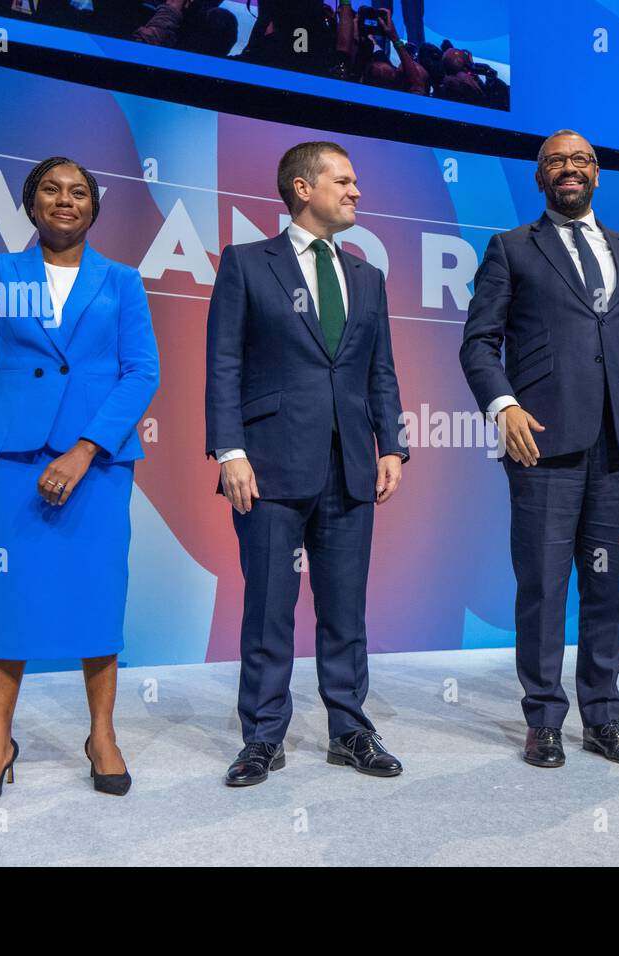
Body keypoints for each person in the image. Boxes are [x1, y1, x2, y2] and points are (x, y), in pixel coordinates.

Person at [0, 157, 160, 805]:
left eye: (78, 192)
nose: (65, 200)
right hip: (13, 460)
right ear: (31, 205)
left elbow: (141, 373)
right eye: (51, 189)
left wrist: (82, 450)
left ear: (93, 209)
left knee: (98, 594)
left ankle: (101, 736)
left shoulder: (122, 281)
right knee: (10, 598)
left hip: (96, 464)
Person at [460, 129, 619, 768]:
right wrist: (504, 405)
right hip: (543, 447)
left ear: (598, 174)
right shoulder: (511, 249)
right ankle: (544, 720)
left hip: (617, 449)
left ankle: (603, 719)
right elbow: (478, 343)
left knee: (611, 587)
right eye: (555, 162)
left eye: (580, 160)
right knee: (544, 588)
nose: (568, 169)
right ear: (539, 178)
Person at [205, 141, 408, 786]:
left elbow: (380, 371)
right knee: (268, 605)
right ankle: (263, 736)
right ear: (301, 188)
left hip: (349, 464)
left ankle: (349, 728)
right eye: (342, 181)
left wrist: (393, 445)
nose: (355, 192)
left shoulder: (368, 276)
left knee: (346, 609)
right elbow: (224, 366)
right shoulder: (245, 264)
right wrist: (230, 450)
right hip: (266, 465)